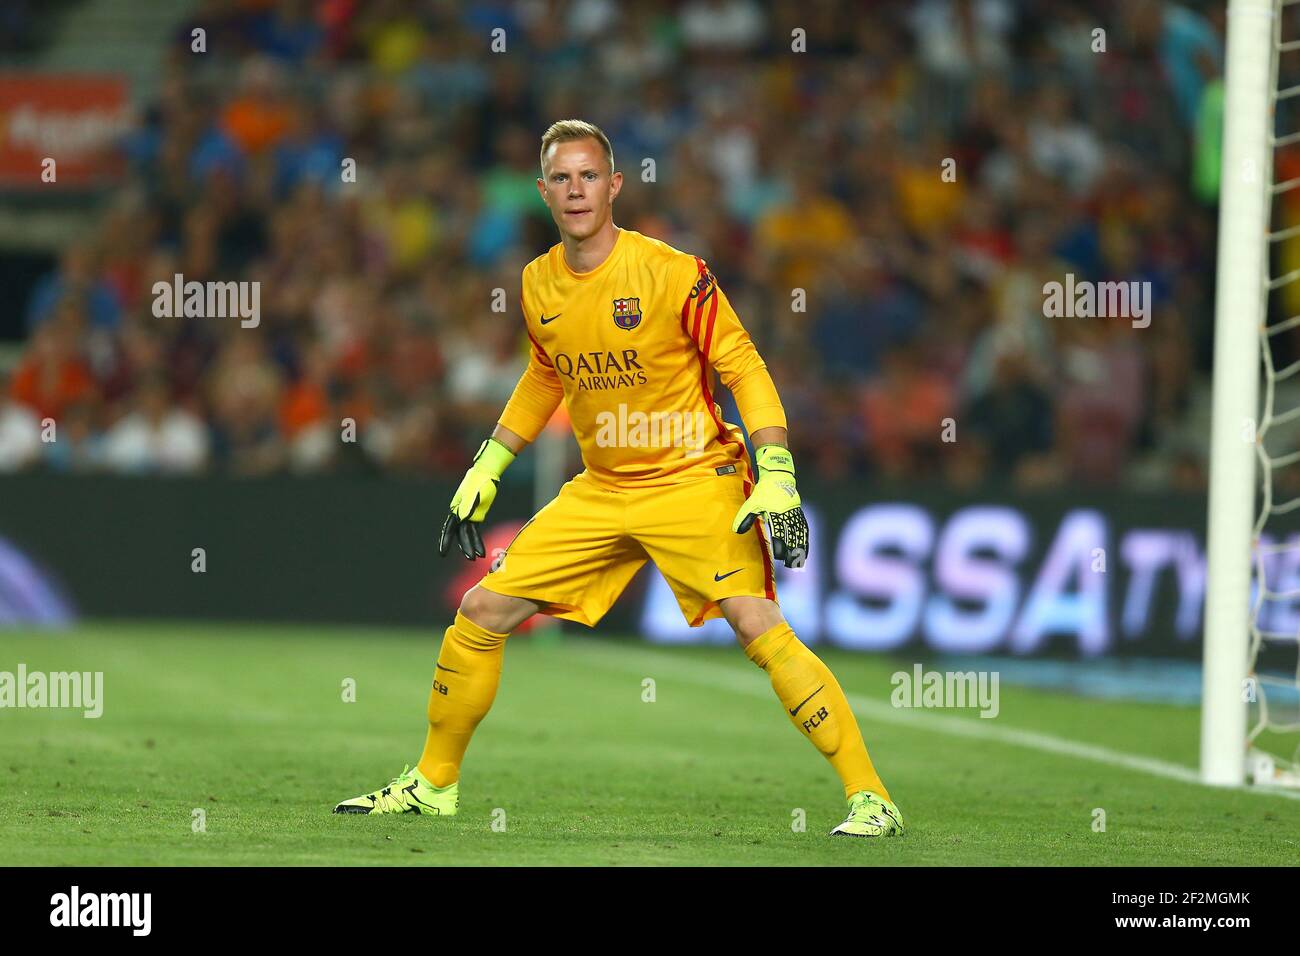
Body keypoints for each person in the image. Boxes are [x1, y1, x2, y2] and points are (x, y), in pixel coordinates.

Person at [334, 120, 903, 837]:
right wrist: (490, 462)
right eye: (562, 179)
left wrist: (777, 469)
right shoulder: (538, 281)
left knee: (758, 624)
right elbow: (547, 375)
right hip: (602, 490)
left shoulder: (673, 273)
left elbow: (744, 367)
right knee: (480, 613)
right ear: (543, 192)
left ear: (614, 187)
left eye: (589, 176)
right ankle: (433, 784)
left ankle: (870, 796)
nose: (576, 190)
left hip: (696, 478)